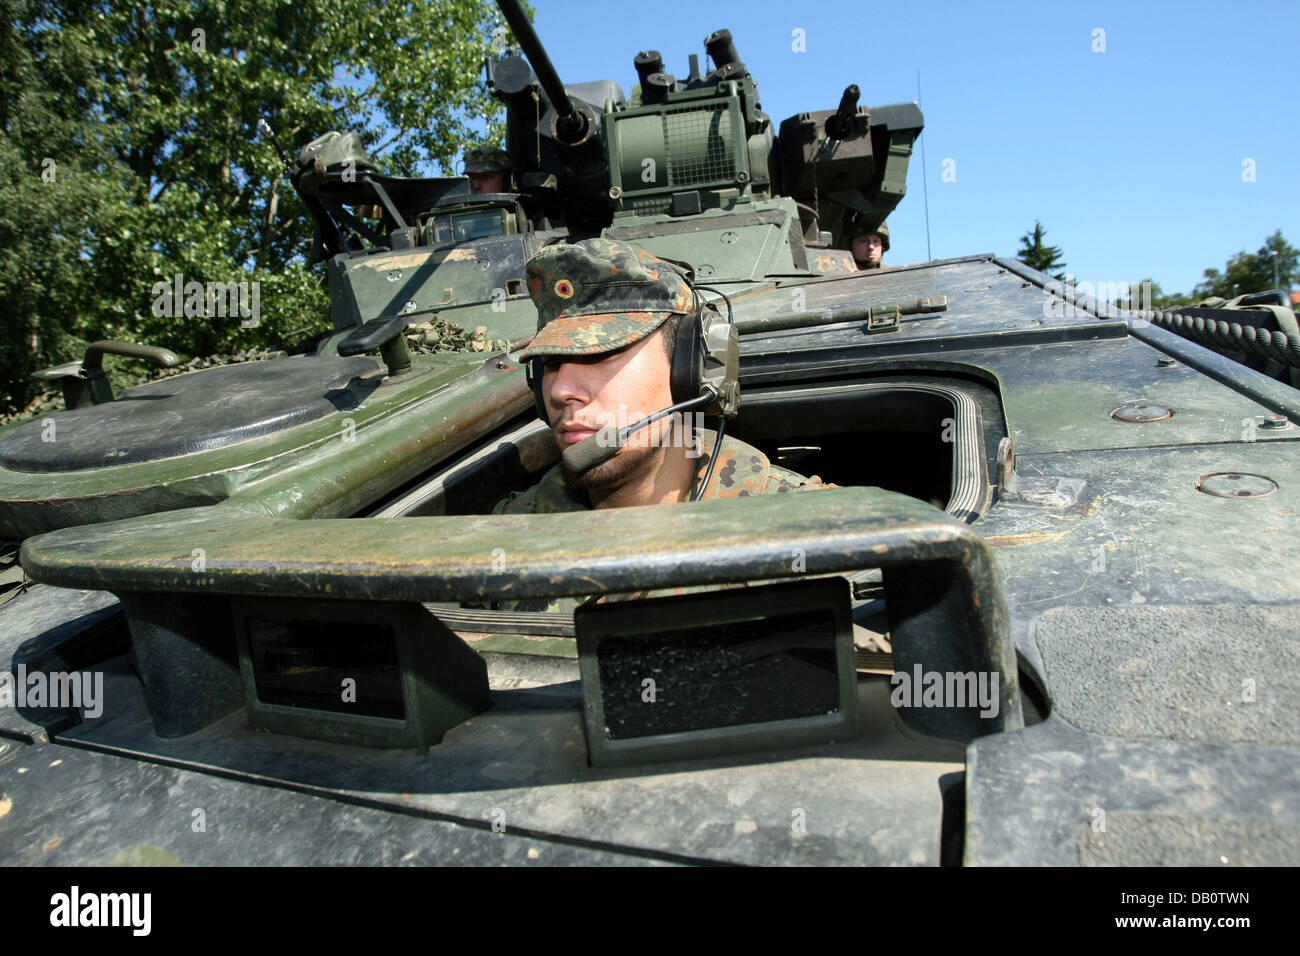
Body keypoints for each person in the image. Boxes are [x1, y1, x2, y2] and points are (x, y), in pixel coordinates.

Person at [492, 238, 831, 610]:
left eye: (600, 353)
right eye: (551, 363)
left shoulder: (808, 535)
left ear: (688, 369)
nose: (560, 390)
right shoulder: (503, 537)